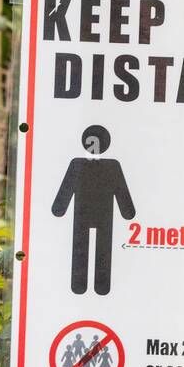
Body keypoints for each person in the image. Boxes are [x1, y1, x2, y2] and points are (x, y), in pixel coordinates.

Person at [51, 126, 135, 296]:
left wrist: (59, 208)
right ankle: (82, 285)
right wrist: (128, 212)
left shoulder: (105, 165)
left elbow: (121, 191)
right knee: (83, 249)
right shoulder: (86, 164)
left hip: (97, 216)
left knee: (100, 251)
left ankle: (96, 286)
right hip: (93, 215)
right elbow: (66, 189)